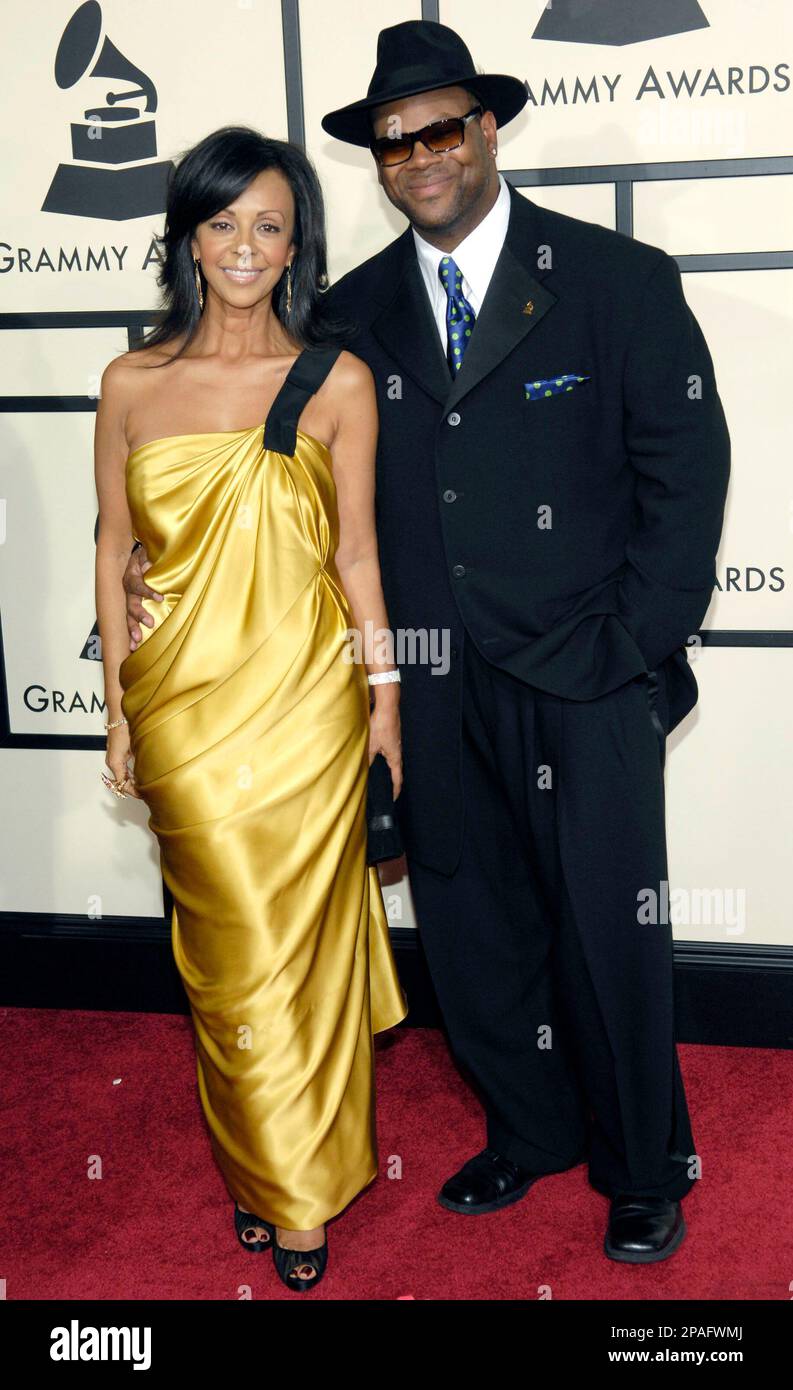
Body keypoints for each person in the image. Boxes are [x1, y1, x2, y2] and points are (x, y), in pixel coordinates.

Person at [125, 20, 731, 1266]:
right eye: (392, 141)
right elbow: (274, 476)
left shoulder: (616, 279)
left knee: (610, 925)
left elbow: (686, 473)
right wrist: (154, 561)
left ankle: (638, 1164)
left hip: (587, 668)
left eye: (441, 127)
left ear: (487, 128)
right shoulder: (349, 314)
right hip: (430, 677)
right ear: (378, 163)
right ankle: (528, 1126)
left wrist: (636, 644)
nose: (418, 156)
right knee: (468, 920)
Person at [95, 125, 407, 1293]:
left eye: (267, 225)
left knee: (306, 954)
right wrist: (122, 705)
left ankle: (293, 1197)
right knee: (230, 958)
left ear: (296, 248)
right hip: (184, 708)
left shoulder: (335, 383)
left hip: (309, 712)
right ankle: (266, 1164)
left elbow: (360, 559)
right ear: (187, 234)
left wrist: (385, 704)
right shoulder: (131, 381)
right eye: (221, 221)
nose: (242, 245)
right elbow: (115, 546)